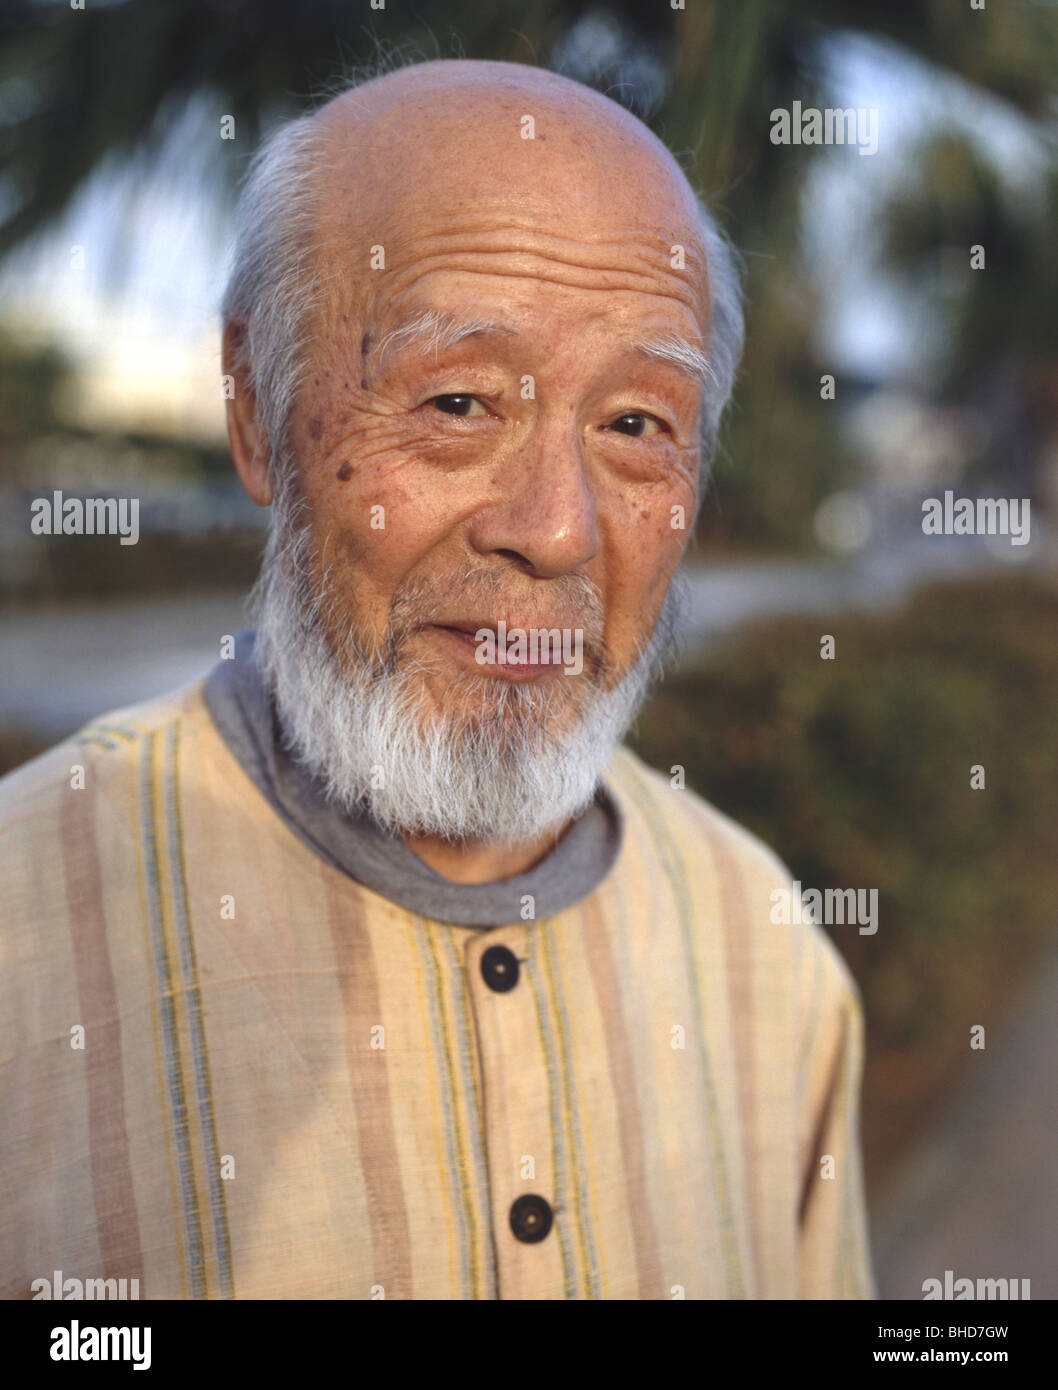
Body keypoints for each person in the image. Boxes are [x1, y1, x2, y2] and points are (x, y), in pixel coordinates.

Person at [0, 58, 874, 1299]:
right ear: (257, 412)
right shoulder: (24, 928)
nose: (556, 529)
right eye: (459, 400)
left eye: (635, 425)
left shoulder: (766, 955)